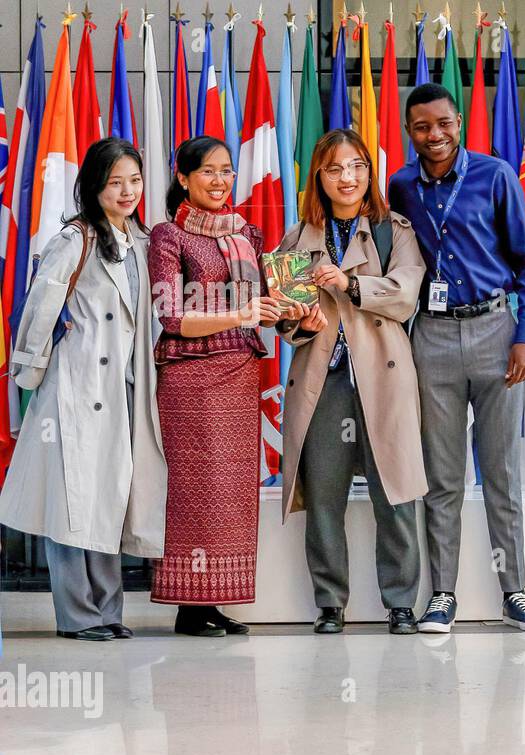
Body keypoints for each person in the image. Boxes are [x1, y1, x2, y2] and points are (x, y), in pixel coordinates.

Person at [387, 82, 525, 636]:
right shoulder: (401, 187)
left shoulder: (495, 176)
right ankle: (442, 595)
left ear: (459, 123)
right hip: (431, 338)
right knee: (443, 476)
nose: (435, 136)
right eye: (422, 127)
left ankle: (517, 593)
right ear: (409, 131)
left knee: (503, 470)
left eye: (444, 124)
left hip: (496, 332)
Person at [0, 137, 167, 641]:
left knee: (110, 498)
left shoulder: (140, 241)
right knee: (74, 502)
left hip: (123, 387)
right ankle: (79, 615)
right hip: (77, 385)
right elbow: (40, 306)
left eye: (134, 181)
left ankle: (109, 611)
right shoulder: (75, 239)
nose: (126, 191)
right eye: (114, 182)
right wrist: (30, 368)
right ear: (93, 187)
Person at [148, 135, 306, 636]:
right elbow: (171, 316)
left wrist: (298, 309)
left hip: (239, 373)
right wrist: (241, 313)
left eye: (227, 171)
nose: (220, 181)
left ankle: (215, 602)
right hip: (190, 378)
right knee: (195, 489)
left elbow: (270, 302)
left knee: (232, 491)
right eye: (209, 172)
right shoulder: (167, 237)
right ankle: (187, 607)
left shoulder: (250, 235)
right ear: (183, 177)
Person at [275, 129, 427, 635]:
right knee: (324, 497)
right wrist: (300, 322)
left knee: (396, 492)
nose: (348, 178)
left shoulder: (393, 230)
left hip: (382, 376)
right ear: (318, 175)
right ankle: (329, 602)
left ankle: (401, 602)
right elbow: (283, 318)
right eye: (336, 168)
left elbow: (406, 293)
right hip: (325, 380)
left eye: (358, 166)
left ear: (369, 173)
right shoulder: (296, 240)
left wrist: (351, 284)